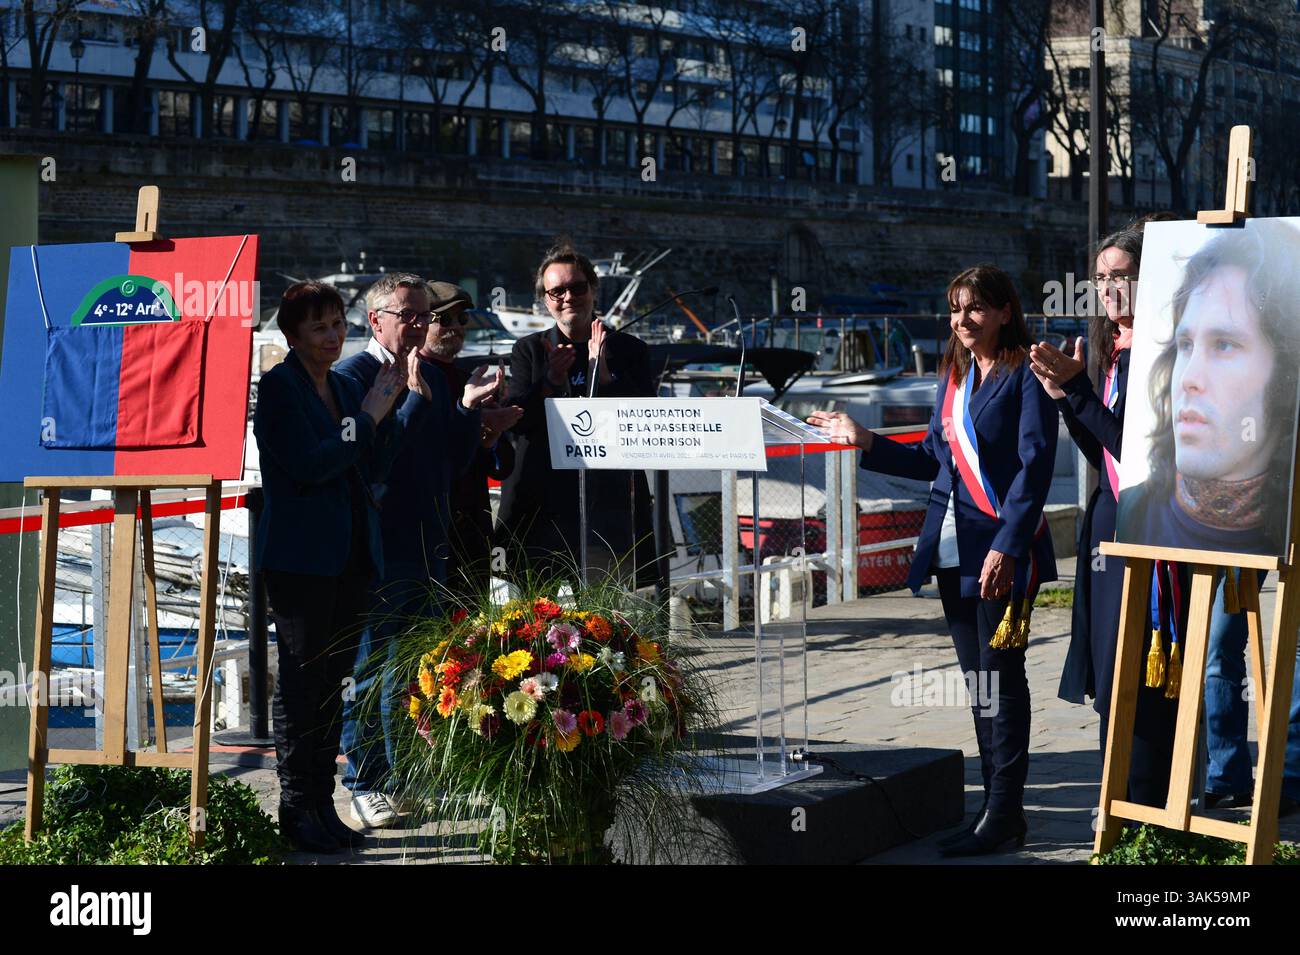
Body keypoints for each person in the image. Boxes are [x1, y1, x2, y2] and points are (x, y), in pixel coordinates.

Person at [810, 265, 1057, 856]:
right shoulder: (955, 378)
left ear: (1003, 311)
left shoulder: (1026, 374)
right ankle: (991, 810)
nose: (961, 320)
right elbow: (932, 462)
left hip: (1001, 551)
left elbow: (1036, 464)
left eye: (975, 308)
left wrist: (1009, 543)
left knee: (1003, 678)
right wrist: (865, 440)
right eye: (954, 309)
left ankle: (1005, 813)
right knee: (980, 686)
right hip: (952, 550)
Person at [1115, 223, 1300, 813]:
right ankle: (1226, 773)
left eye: (1226, 344)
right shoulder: (1144, 508)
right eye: (1186, 343)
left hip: (1285, 522)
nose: (1190, 376)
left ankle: (1290, 776)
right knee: (1218, 645)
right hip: (1213, 547)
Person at [253, 281, 416, 853]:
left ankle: (323, 805)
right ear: (293, 335)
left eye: (336, 323)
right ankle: (297, 809)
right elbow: (311, 464)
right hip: (301, 560)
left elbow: (371, 459)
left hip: (349, 558)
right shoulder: (279, 390)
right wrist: (369, 417)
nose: (331, 335)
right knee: (302, 684)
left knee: (331, 688)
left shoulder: (343, 389)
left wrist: (390, 409)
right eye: (318, 326)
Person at [334, 272, 500, 828]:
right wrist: (409, 408)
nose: (424, 324)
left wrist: (468, 408)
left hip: (431, 545)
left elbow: (450, 465)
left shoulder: (428, 373)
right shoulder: (355, 375)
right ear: (375, 318)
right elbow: (365, 465)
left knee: (411, 672)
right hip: (383, 549)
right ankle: (365, 782)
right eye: (411, 314)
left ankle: (401, 777)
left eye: (426, 315)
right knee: (373, 668)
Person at [1032, 226, 1181, 808]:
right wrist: (1066, 398)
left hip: (1152, 529)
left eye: (1121, 275)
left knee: (1143, 675)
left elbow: (1142, 452)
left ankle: (1145, 803)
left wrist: (1078, 394)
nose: (1108, 287)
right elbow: (1103, 452)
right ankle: (1113, 797)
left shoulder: (1166, 349)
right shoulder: (1110, 350)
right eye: (1100, 278)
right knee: (1110, 666)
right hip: (1108, 525)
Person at [496, 243, 656, 584]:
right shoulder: (529, 350)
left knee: (608, 614)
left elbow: (645, 423)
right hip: (542, 502)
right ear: (545, 300)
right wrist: (551, 381)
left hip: (610, 501)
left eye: (577, 287)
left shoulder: (630, 350)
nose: (568, 297)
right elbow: (519, 419)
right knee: (535, 615)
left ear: (593, 289)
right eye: (557, 291)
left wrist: (606, 375)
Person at [418, 281, 521, 599]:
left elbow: (501, 466)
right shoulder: (413, 378)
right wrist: (474, 420)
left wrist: (492, 432)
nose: (456, 328)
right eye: (444, 320)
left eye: (462, 320)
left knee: (471, 635)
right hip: (431, 531)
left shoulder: (469, 379)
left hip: (472, 531)